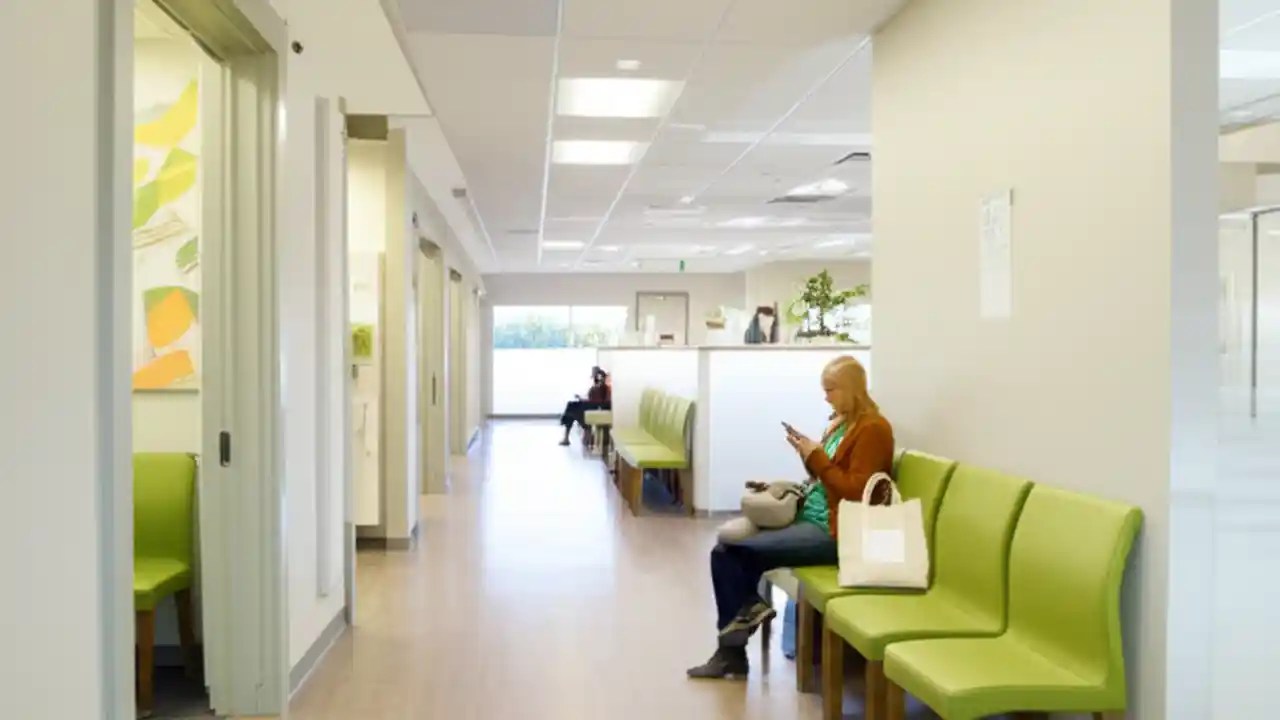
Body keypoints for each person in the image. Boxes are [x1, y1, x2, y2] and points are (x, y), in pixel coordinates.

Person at [687, 355, 893, 679]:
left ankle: (735, 646)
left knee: (732, 555)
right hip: (810, 517)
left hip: (834, 531)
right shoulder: (841, 423)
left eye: (831, 389)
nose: (826, 397)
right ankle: (738, 637)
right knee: (725, 552)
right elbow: (824, 477)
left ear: (852, 389)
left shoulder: (874, 429)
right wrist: (807, 455)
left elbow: (853, 490)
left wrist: (818, 457)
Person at [559, 367, 611, 446]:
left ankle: (572, 434)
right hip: (591, 404)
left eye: (595, 374)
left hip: (595, 406)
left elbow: (599, 400)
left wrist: (584, 400)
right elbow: (591, 398)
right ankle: (569, 436)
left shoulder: (602, 387)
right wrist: (582, 398)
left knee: (571, 407)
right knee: (571, 408)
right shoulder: (597, 386)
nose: (593, 376)